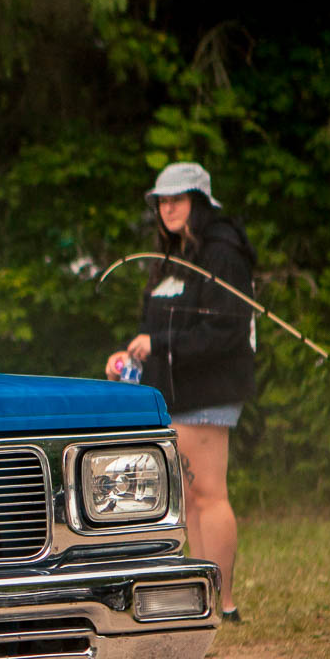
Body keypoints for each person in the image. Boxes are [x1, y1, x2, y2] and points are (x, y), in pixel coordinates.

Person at [105, 161, 255, 623]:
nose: (167, 208)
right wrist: (133, 360)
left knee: (209, 493)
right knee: (186, 499)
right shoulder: (171, 255)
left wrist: (160, 344)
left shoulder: (223, 252)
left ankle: (225, 603)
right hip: (171, 392)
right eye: (161, 201)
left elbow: (225, 332)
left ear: (200, 202)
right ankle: (204, 599)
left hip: (209, 391)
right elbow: (157, 329)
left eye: (177, 199)